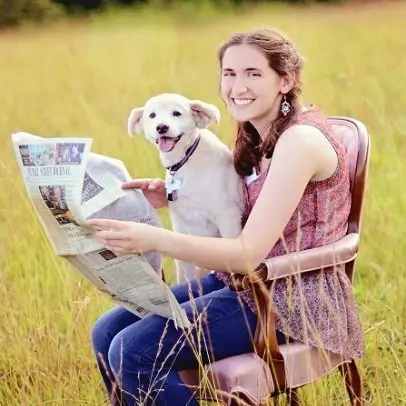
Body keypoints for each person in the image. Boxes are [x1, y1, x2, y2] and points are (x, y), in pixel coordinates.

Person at [87, 28, 365, 406]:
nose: (237, 86)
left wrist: (153, 239)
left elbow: (249, 253)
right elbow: (249, 207)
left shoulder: (300, 142)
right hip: (248, 284)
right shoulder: (259, 134)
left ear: (286, 80)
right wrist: (176, 196)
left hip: (293, 298)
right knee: (107, 330)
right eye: (229, 73)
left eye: (253, 73)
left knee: (130, 350)